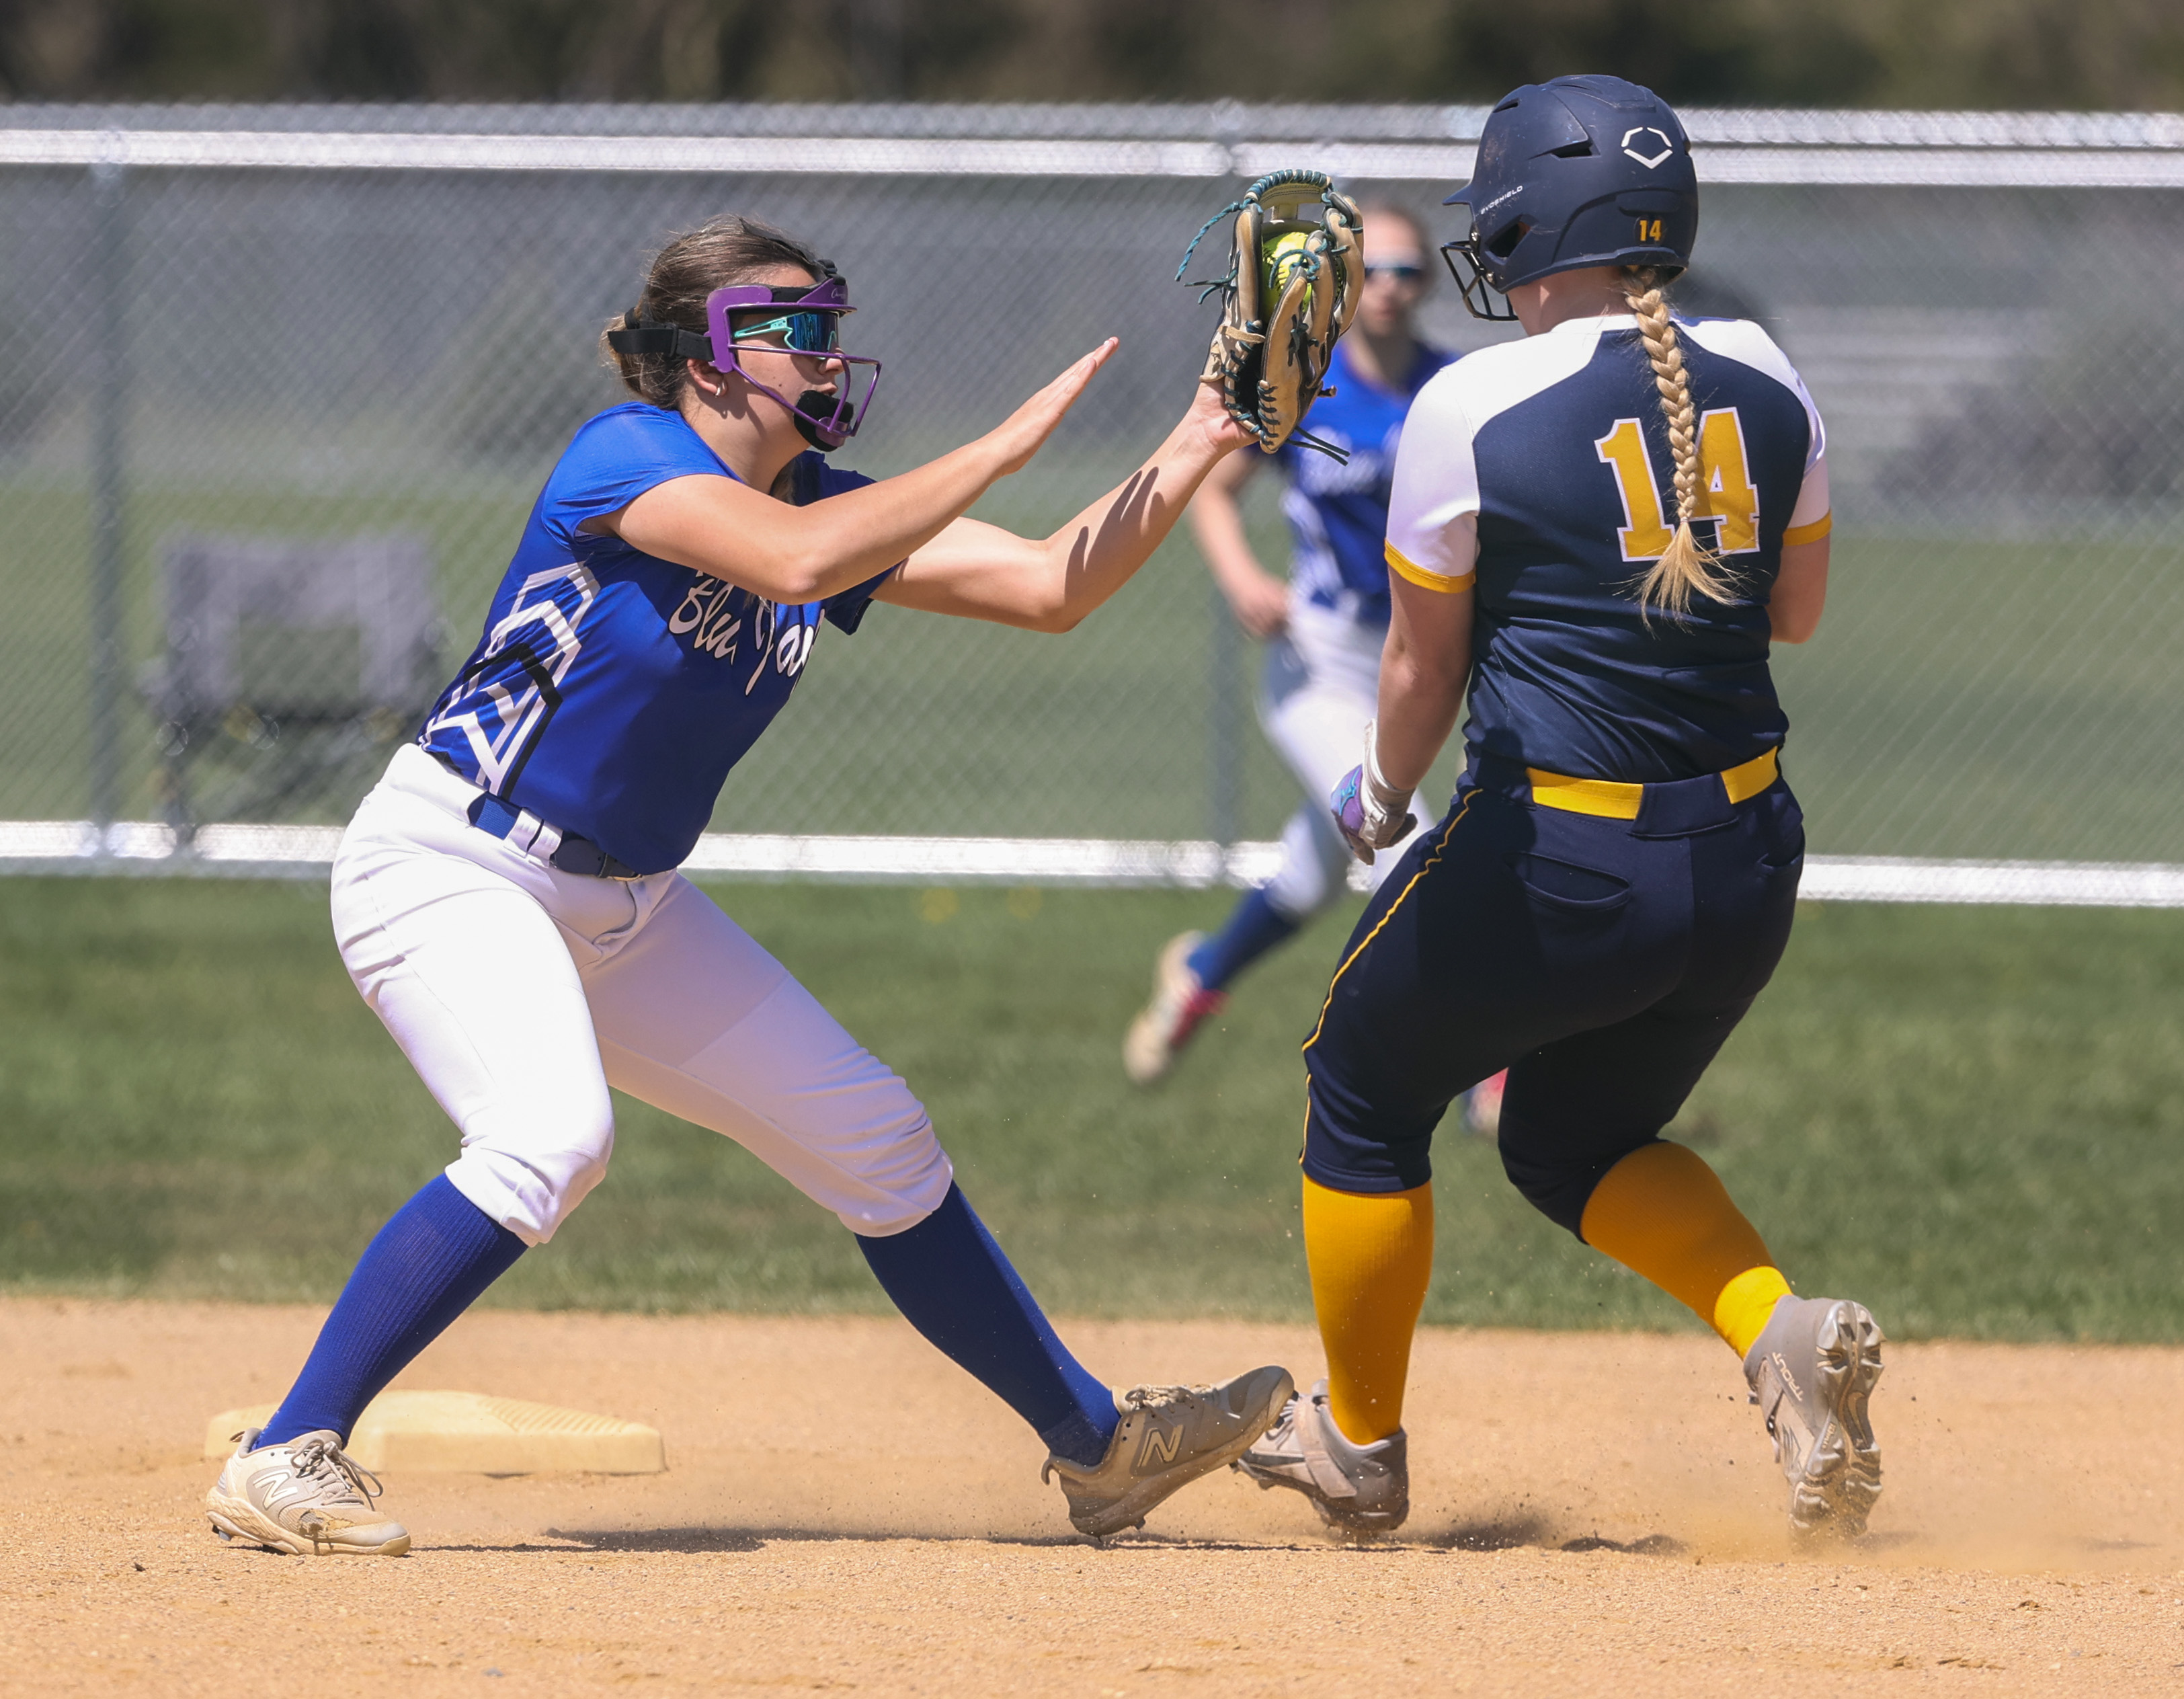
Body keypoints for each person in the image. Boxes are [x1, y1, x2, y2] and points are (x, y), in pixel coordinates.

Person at [203, 214, 1291, 1557]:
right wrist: (1002, 446)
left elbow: (1044, 585)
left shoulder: (818, 503)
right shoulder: (627, 456)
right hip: (451, 864)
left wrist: (1200, 434)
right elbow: (792, 564)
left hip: (630, 906)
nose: (828, 352)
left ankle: (1095, 1447)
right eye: (796, 329)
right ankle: (288, 1451)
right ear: (710, 355)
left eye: (830, 326)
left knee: (880, 1140)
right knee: (550, 1141)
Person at [1231, 78, 1884, 1542]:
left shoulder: (1470, 398)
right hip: (1743, 867)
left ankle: (1359, 1447)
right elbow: (1793, 613)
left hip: (1562, 860)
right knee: (1569, 1141)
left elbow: (1419, 668)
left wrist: (1376, 795)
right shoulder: (1765, 367)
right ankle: (1777, 1332)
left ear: (1533, 227)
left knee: (1359, 1079)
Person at [1123, 205, 1459, 1085]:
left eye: (1407, 271)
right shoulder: (1304, 383)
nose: (1388, 288)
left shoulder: (1453, 388)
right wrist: (1242, 579)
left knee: (1315, 871)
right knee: (1405, 847)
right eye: (1371, 270)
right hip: (1317, 670)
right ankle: (1478, 1078)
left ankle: (1198, 976)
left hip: (1416, 672)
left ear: (1427, 283)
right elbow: (1210, 489)